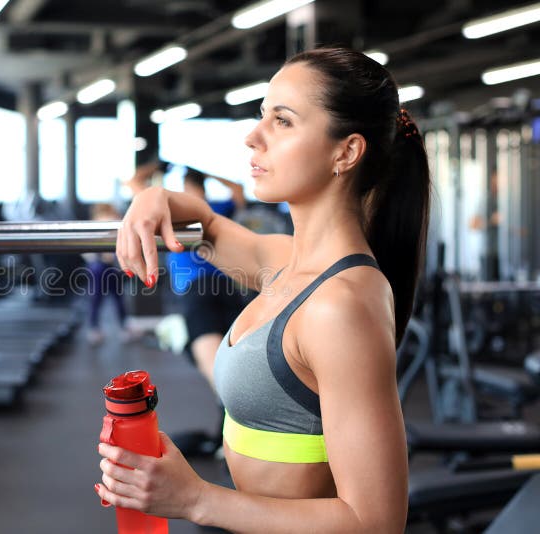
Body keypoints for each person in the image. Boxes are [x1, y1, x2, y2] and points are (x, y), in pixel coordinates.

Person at [96, 46, 430, 532]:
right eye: (261, 117)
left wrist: (196, 500)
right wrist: (151, 196)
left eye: (283, 121)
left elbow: (375, 522)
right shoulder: (286, 261)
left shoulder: (341, 304)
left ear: (346, 152)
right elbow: (208, 225)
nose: (253, 137)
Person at [166, 167, 249, 456]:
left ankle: (235, 436)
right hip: (224, 286)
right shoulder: (212, 209)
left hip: (203, 290)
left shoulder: (203, 211)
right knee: (228, 364)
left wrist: (162, 168)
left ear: (189, 186)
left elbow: (135, 183)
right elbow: (238, 189)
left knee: (221, 366)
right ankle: (232, 432)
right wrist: (210, 176)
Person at [82, 203, 139, 345]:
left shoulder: (117, 222)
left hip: (113, 267)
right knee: (97, 298)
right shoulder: (94, 226)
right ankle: (94, 328)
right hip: (98, 267)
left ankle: (123, 326)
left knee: (117, 297)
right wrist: (99, 257)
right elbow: (86, 251)